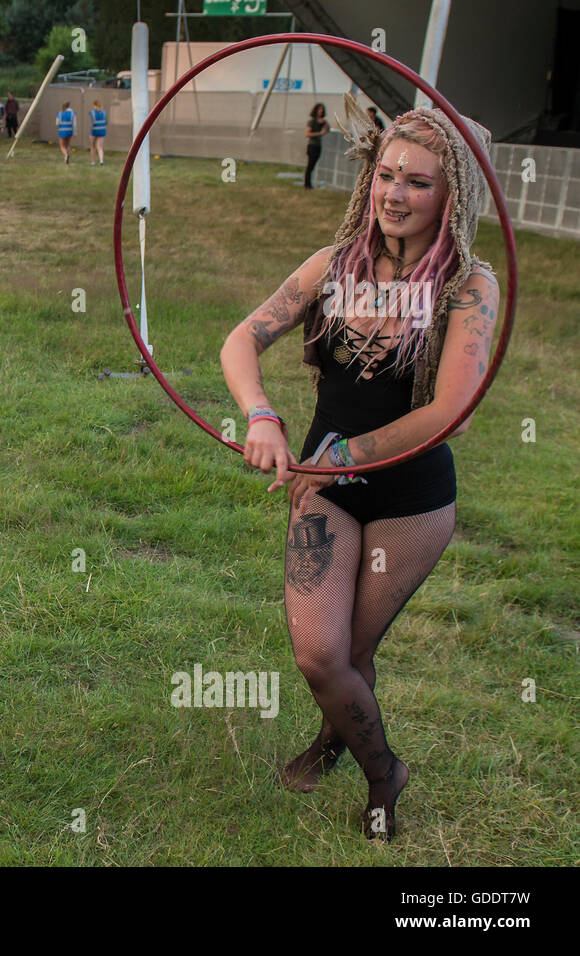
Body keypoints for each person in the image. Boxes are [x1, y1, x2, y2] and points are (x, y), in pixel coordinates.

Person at [219, 103, 498, 842]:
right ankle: (379, 762)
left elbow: (452, 412)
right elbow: (242, 340)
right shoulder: (333, 264)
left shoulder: (469, 286)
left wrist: (340, 456)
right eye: (386, 174)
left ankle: (369, 771)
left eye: (418, 182)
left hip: (411, 501)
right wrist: (262, 417)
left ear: (452, 195)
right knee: (321, 654)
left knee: (354, 655)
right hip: (324, 490)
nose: (394, 194)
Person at [305, 102, 330, 189]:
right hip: (312, 145)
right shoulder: (311, 122)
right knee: (310, 165)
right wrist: (319, 133)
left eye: (322, 110)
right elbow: (307, 133)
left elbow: (327, 130)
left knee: (313, 165)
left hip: (319, 146)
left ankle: (310, 183)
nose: (321, 111)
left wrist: (325, 129)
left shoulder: (324, 122)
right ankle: (307, 184)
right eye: (319, 109)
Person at [88, 99, 107, 166]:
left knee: (93, 146)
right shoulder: (104, 112)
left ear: (94, 105)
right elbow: (106, 122)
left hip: (94, 131)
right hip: (102, 131)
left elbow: (91, 123)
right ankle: (101, 160)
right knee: (100, 147)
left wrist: (90, 133)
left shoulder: (92, 112)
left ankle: (93, 162)